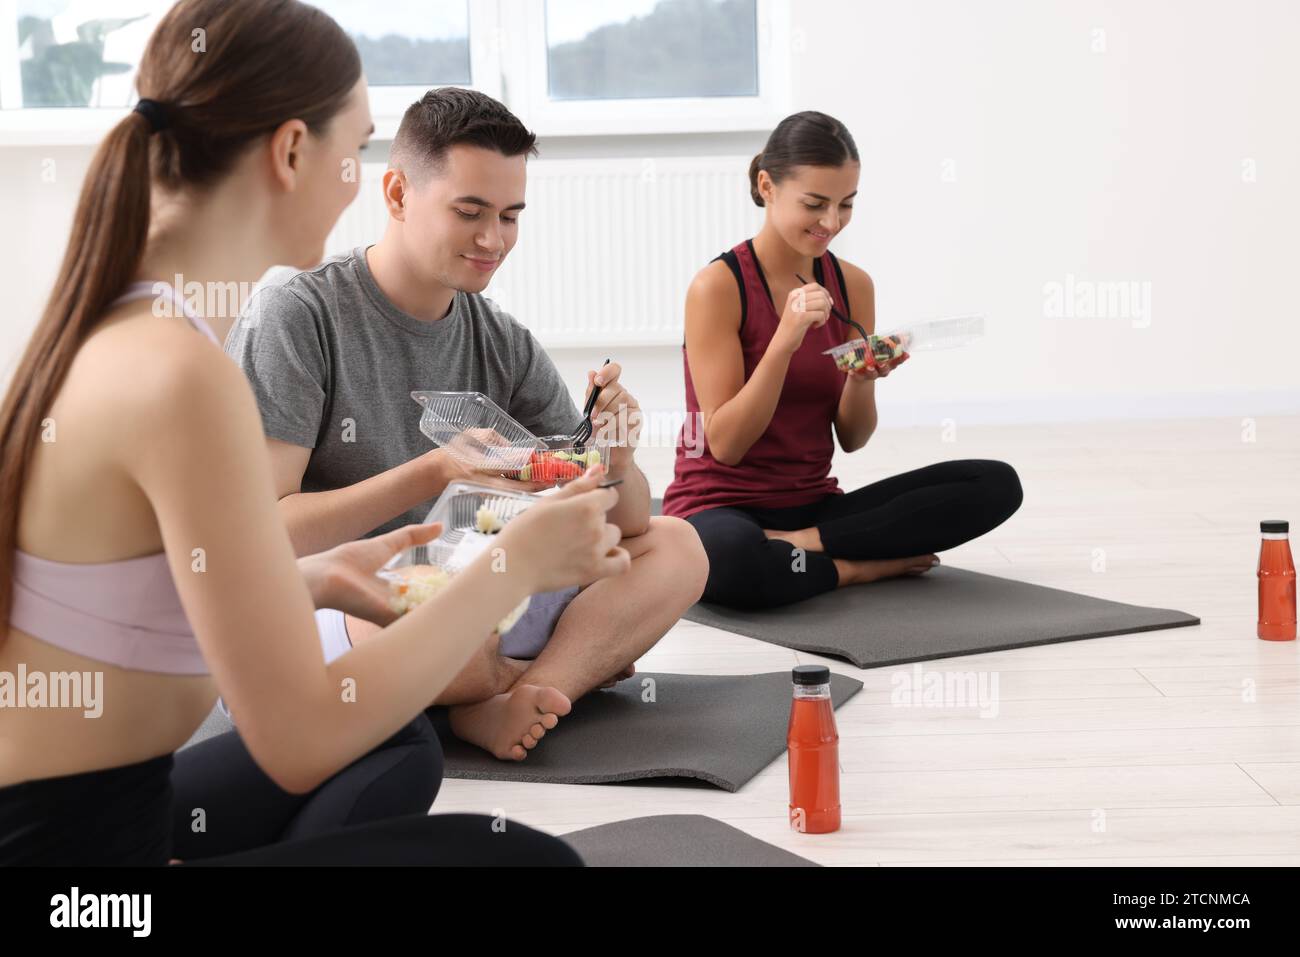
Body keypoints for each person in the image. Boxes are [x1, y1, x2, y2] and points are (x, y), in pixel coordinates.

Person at [0, 0, 616, 866]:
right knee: (526, 858)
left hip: (97, 813)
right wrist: (515, 563)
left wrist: (322, 577)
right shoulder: (183, 373)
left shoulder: (120, 321)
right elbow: (296, 735)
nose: (365, 183)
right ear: (292, 152)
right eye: (357, 151)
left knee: (399, 741)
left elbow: (135, 592)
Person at [225, 86, 709, 761]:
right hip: (353, 603)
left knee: (677, 545)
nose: (494, 239)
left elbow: (624, 526)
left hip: (472, 593)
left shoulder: (501, 338)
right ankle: (513, 686)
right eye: (470, 212)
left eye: (511, 215)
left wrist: (615, 461)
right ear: (397, 194)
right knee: (424, 629)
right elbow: (264, 535)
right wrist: (433, 471)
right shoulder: (298, 312)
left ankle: (521, 695)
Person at [662, 111, 1023, 610]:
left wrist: (862, 379)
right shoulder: (718, 287)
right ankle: (858, 567)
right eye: (814, 204)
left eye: (845, 205)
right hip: (723, 509)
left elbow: (852, 439)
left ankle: (800, 548)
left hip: (816, 509)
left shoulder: (853, 285)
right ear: (767, 186)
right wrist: (784, 340)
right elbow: (725, 444)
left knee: (995, 483)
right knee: (726, 561)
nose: (831, 223)